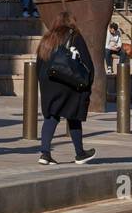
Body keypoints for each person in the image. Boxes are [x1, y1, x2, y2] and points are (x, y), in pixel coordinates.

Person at [36, 11, 96, 165]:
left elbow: (39, 64)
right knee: (73, 114)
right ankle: (80, 153)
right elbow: (87, 63)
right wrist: (87, 82)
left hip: (48, 81)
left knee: (51, 116)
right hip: (68, 82)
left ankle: (45, 153)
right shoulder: (74, 36)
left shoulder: (47, 38)